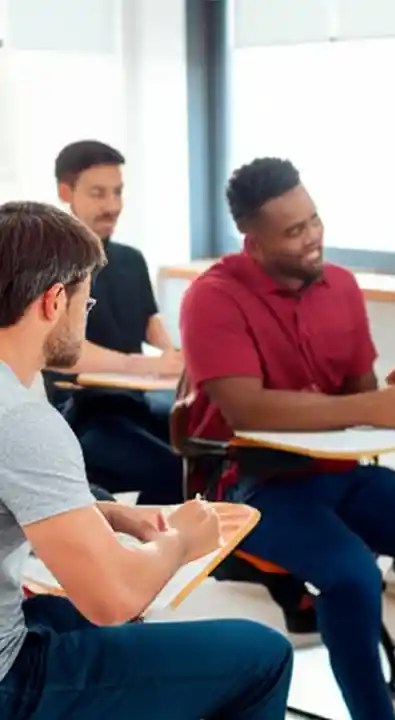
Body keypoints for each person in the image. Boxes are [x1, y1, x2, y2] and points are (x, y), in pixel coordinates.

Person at [179, 157, 395, 720]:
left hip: (339, 474)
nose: (311, 239)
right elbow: (246, 408)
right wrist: (370, 406)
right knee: (352, 573)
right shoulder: (212, 298)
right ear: (253, 243)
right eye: (293, 231)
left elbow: (361, 396)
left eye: (314, 221)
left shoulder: (342, 286)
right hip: (250, 486)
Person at [0, 200, 293, 718]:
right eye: (84, 306)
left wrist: (111, 513)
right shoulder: (22, 417)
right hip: (9, 677)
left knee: (90, 624)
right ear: (52, 303)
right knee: (263, 655)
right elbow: (114, 597)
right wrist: (183, 541)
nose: (85, 321)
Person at [50, 140, 184, 506]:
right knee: (171, 469)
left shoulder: (130, 259)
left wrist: (174, 354)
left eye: (117, 192)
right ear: (67, 192)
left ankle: (160, 544)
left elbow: (149, 321)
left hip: (133, 403)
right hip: (82, 413)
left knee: (204, 455)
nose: (112, 206)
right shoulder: (50, 263)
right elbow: (63, 352)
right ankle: (145, 551)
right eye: (98, 193)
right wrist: (146, 365)